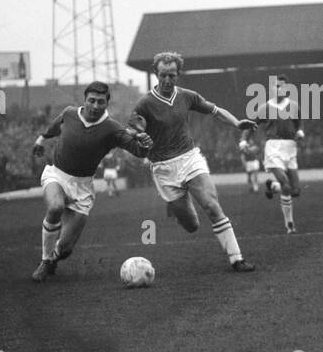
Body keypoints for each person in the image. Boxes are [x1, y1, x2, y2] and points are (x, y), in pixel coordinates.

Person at [129, 52, 258, 272]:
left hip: (189, 158)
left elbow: (216, 111)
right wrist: (138, 135)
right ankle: (179, 202)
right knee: (191, 225)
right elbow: (131, 129)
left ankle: (236, 259)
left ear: (178, 74)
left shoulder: (187, 96)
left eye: (172, 75)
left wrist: (237, 123)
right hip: (163, 169)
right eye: (163, 75)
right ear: (156, 74)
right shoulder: (145, 103)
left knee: (211, 205)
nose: (167, 80)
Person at [30, 81, 152, 282]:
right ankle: (45, 260)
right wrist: (41, 139)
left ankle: (53, 259)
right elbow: (54, 126)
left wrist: (145, 145)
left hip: (83, 187)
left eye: (100, 102)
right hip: (57, 175)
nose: (95, 106)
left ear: (106, 104)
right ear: (84, 100)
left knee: (66, 249)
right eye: (92, 100)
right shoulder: (70, 113)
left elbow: (138, 151)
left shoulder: (112, 128)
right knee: (55, 207)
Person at [258, 74, 304, 233]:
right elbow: (252, 122)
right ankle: (289, 224)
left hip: (290, 147)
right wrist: (243, 140)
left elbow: (299, 123)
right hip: (273, 147)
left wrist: (300, 131)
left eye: (282, 86)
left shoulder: (294, 106)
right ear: (273, 88)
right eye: (277, 86)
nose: (279, 89)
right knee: (285, 183)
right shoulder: (266, 107)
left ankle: (272, 186)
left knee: (295, 190)